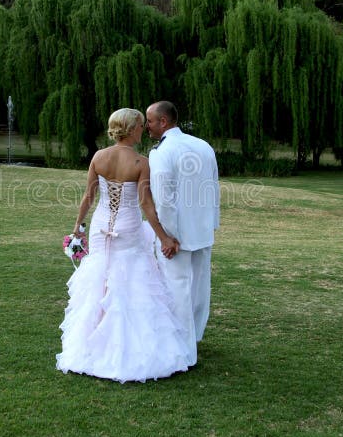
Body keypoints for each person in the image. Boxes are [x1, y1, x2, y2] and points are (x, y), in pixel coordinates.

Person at [56, 108, 189, 383]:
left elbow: (88, 196)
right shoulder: (141, 162)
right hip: (128, 227)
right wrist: (164, 237)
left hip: (100, 226)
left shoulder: (99, 157)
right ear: (131, 129)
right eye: (141, 125)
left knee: (99, 280)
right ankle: (128, 348)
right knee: (131, 283)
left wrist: (77, 228)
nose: (143, 129)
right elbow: (145, 204)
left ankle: (90, 346)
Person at [145, 101, 220, 367]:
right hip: (202, 230)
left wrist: (168, 237)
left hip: (177, 237)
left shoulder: (161, 152)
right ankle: (195, 336)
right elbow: (213, 187)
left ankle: (183, 347)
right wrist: (212, 223)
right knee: (200, 288)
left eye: (150, 121)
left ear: (163, 122)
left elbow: (164, 199)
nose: (147, 126)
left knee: (177, 289)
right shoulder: (203, 145)